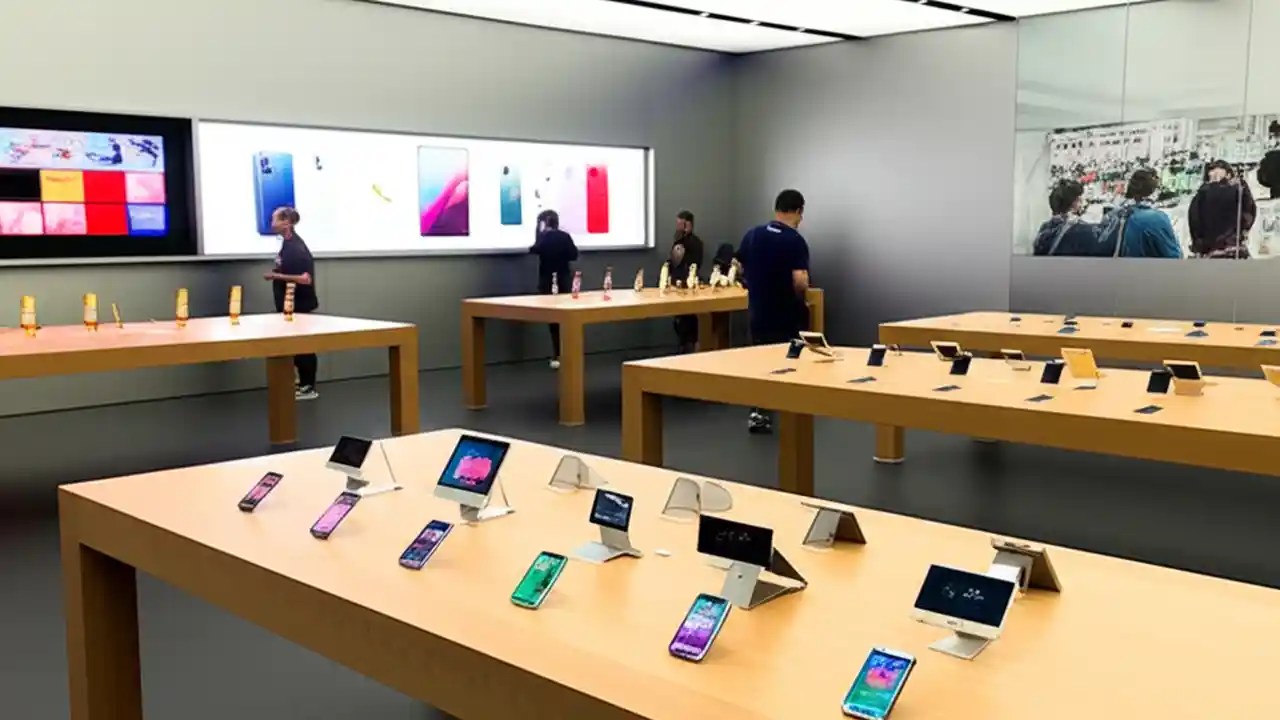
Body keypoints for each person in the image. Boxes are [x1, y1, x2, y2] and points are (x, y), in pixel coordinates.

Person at [737, 189, 810, 433]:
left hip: (758, 310)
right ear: (798, 211)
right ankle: (789, 408)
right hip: (786, 312)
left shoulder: (753, 234)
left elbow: (737, 265)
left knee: (760, 360)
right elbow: (799, 280)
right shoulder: (794, 241)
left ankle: (758, 411)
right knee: (789, 360)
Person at [263, 206, 320, 400]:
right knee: (295, 345)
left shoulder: (296, 248)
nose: (272, 224)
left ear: (286, 222)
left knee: (303, 345)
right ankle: (301, 382)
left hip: (300, 305)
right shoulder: (287, 245)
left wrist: (275, 276)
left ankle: (308, 386)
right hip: (289, 306)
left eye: (275, 220)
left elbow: (305, 279)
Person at [529, 209, 578, 369]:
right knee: (567, 318)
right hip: (564, 281)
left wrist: (538, 232)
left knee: (553, 321)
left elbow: (534, 249)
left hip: (548, 283)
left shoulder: (543, 238)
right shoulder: (564, 237)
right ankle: (568, 353)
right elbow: (573, 255)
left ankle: (557, 354)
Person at [1097, 169, 1181, 258]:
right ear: (1154, 192)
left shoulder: (1112, 215)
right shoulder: (1157, 219)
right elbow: (1174, 256)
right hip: (1144, 270)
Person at [1189, 159, 1256, 259]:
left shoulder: (1200, 195)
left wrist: (1199, 246)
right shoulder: (1239, 189)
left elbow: (1194, 221)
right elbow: (1249, 213)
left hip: (1210, 251)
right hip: (1233, 248)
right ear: (1228, 175)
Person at [1033, 180, 1114, 256]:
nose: (1084, 204)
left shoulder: (1044, 228)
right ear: (1074, 203)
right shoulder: (1079, 230)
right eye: (1080, 200)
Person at [669, 210, 704, 353]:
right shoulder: (677, 242)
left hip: (688, 285)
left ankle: (691, 345)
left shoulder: (695, 243)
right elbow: (674, 262)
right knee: (679, 320)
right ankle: (683, 344)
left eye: (680, 224)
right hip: (676, 284)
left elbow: (694, 264)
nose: (677, 227)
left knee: (689, 319)